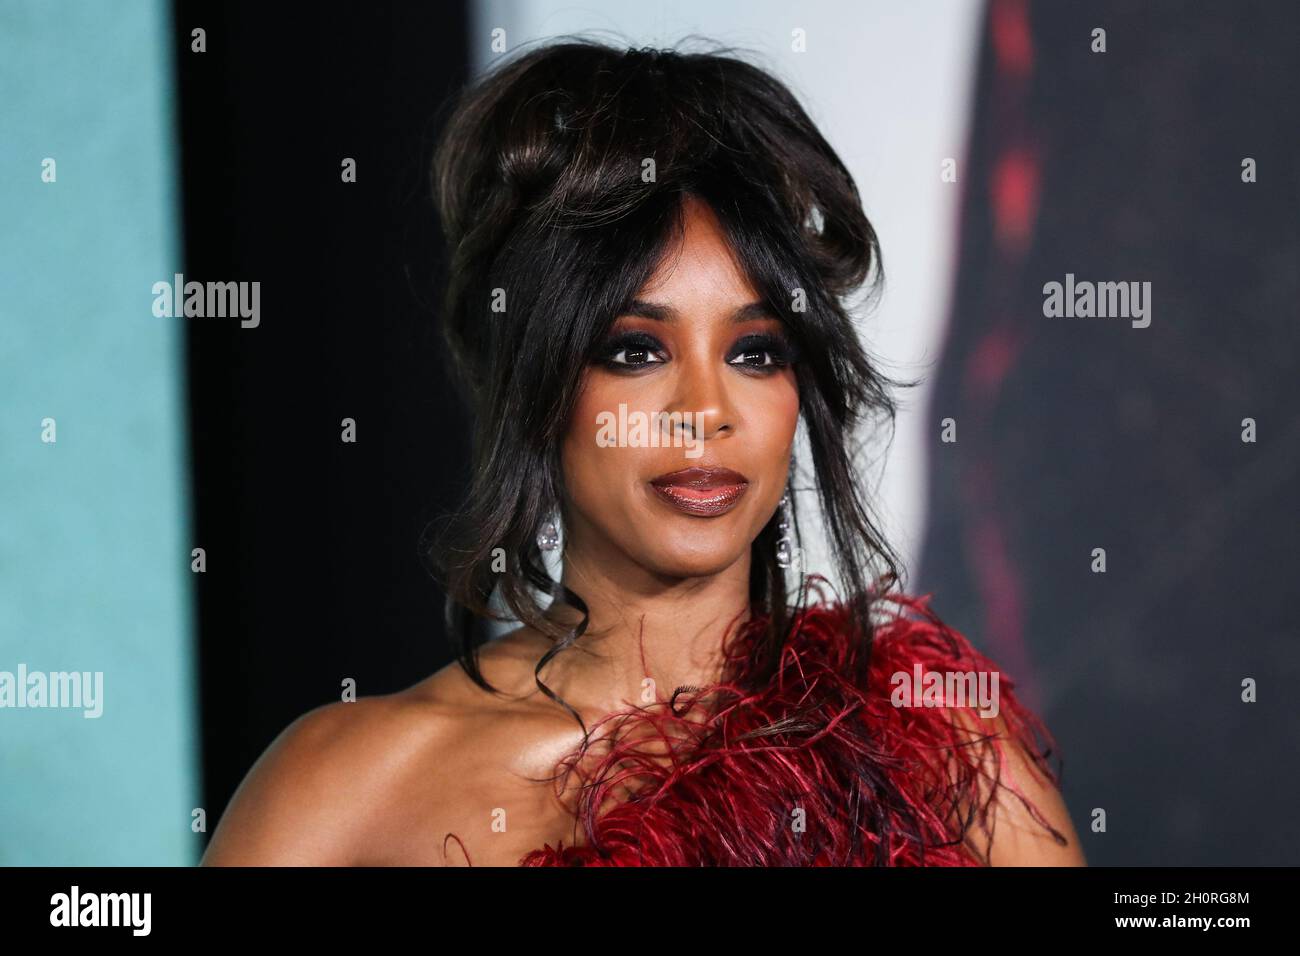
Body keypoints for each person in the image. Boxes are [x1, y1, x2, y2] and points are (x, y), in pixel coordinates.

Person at [202, 39, 1085, 867]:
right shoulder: (348, 784)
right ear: (540, 384)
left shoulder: (937, 749)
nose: (705, 411)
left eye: (756, 352)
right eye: (636, 350)